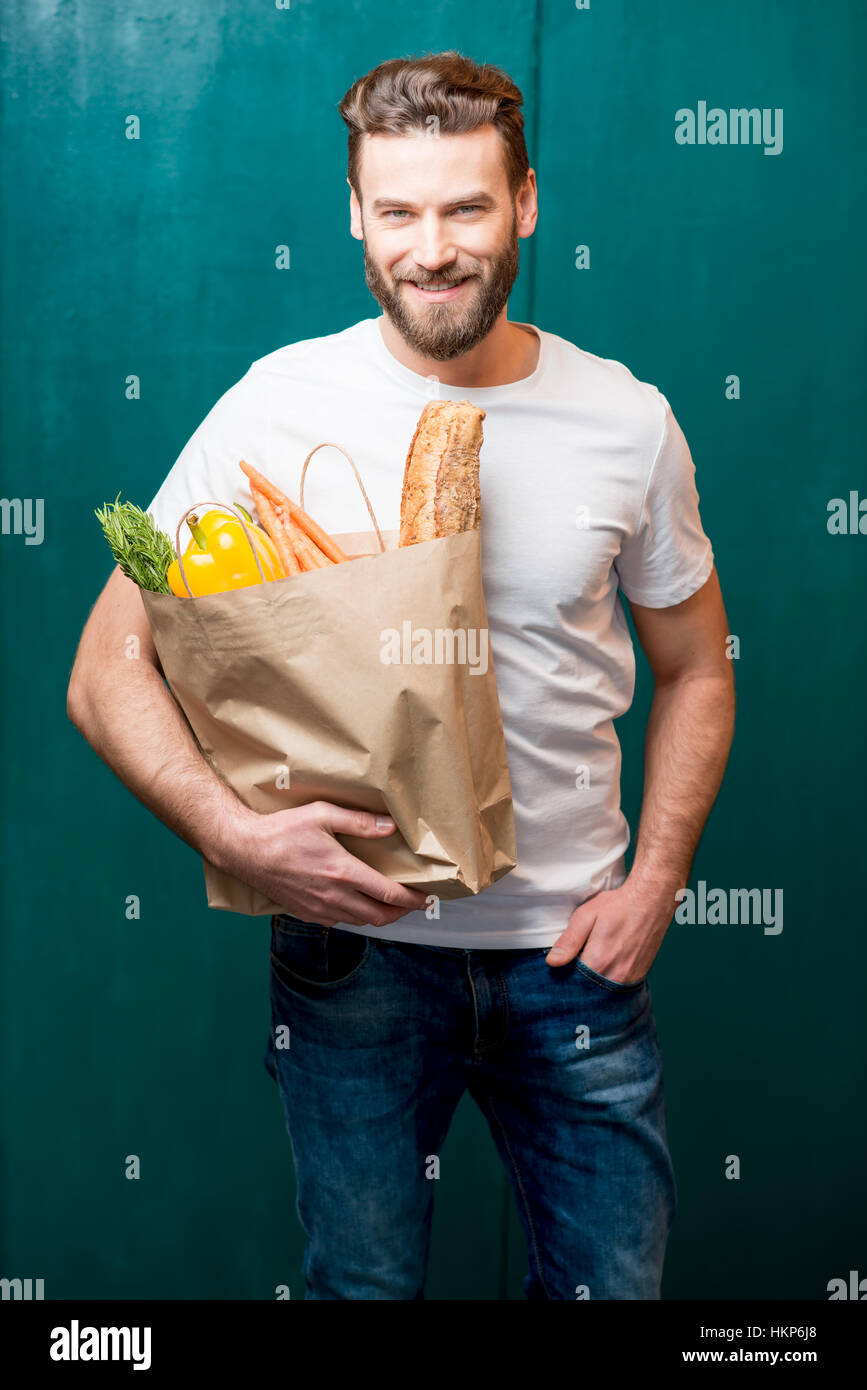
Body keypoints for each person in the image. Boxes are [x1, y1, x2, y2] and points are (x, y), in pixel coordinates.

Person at [67, 51, 735, 1300]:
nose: (435, 248)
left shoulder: (627, 420)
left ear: (525, 206)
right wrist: (234, 835)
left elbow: (698, 665)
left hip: (573, 957)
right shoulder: (275, 405)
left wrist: (659, 878)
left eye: (469, 208)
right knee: (362, 1294)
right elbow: (106, 666)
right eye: (400, 211)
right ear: (356, 215)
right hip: (351, 962)